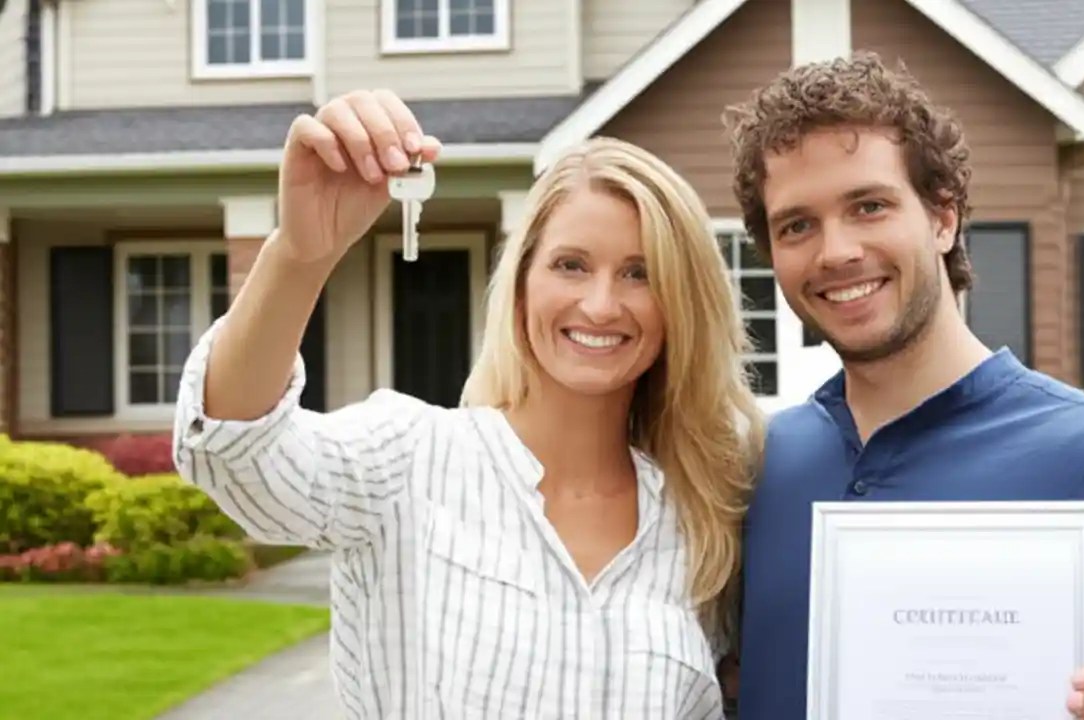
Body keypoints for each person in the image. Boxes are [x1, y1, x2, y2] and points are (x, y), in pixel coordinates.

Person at [171, 89, 765, 718]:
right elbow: (237, 455)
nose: (600, 304)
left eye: (640, 274)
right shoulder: (410, 458)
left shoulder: (707, 519)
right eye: (570, 265)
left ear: (681, 304)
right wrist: (300, 255)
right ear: (522, 283)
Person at [721, 53, 1084, 720]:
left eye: (868, 206)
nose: (835, 250)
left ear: (943, 218)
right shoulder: (760, 466)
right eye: (797, 225)